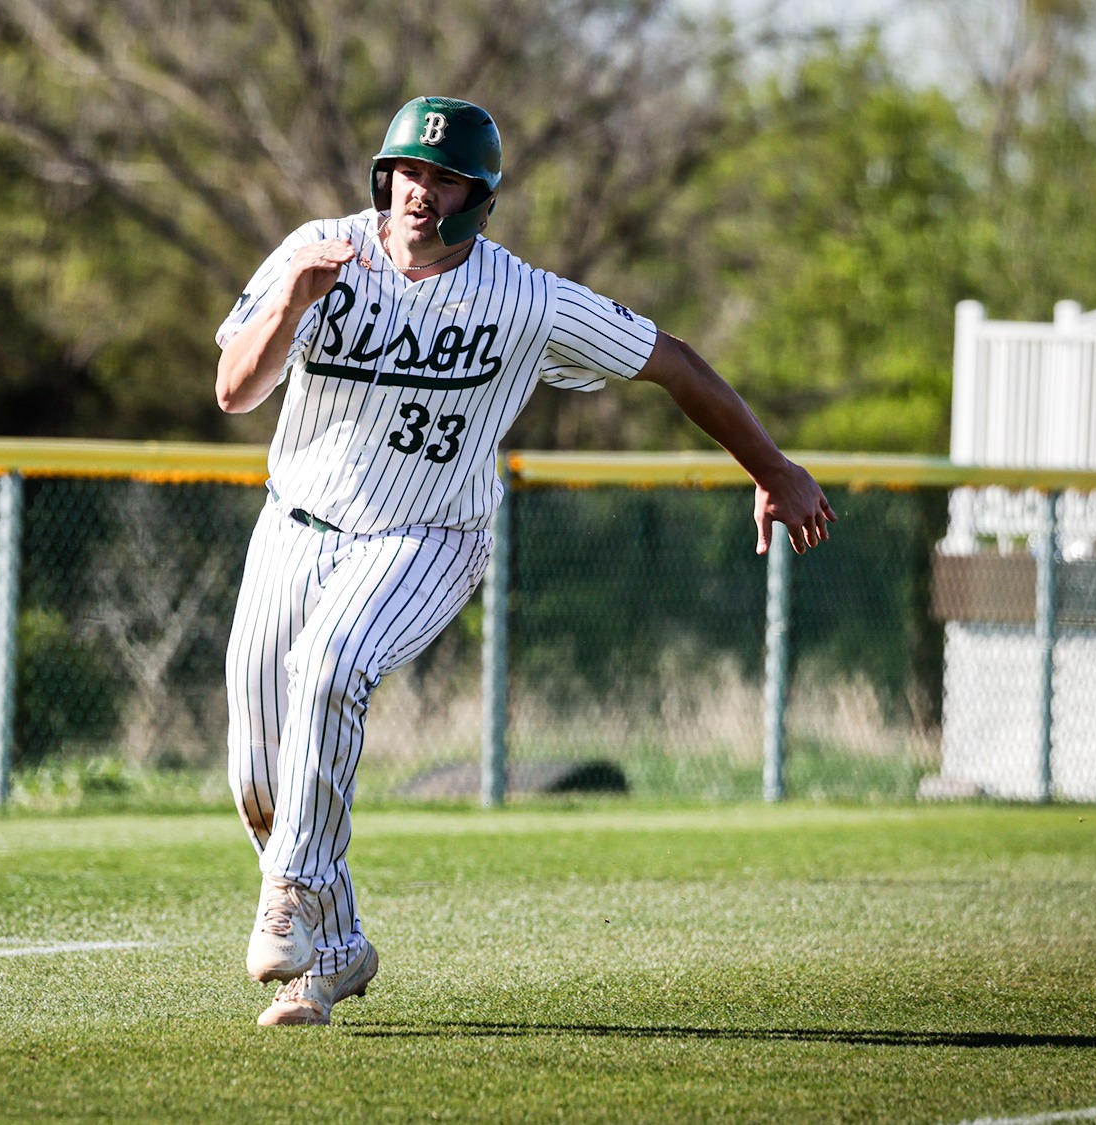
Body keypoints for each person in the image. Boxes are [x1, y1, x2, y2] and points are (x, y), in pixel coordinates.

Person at [213, 96, 833, 1027]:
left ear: (478, 194)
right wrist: (295, 295)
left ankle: (290, 896)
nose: (421, 192)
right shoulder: (317, 250)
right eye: (409, 172)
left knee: (331, 665)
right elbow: (233, 390)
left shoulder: (527, 299)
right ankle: (337, 951)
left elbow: (673, 362)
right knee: (260, 775)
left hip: (426, 538)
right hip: (292, 529)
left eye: (445, 176)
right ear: (385, 176)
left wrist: (772, 466)